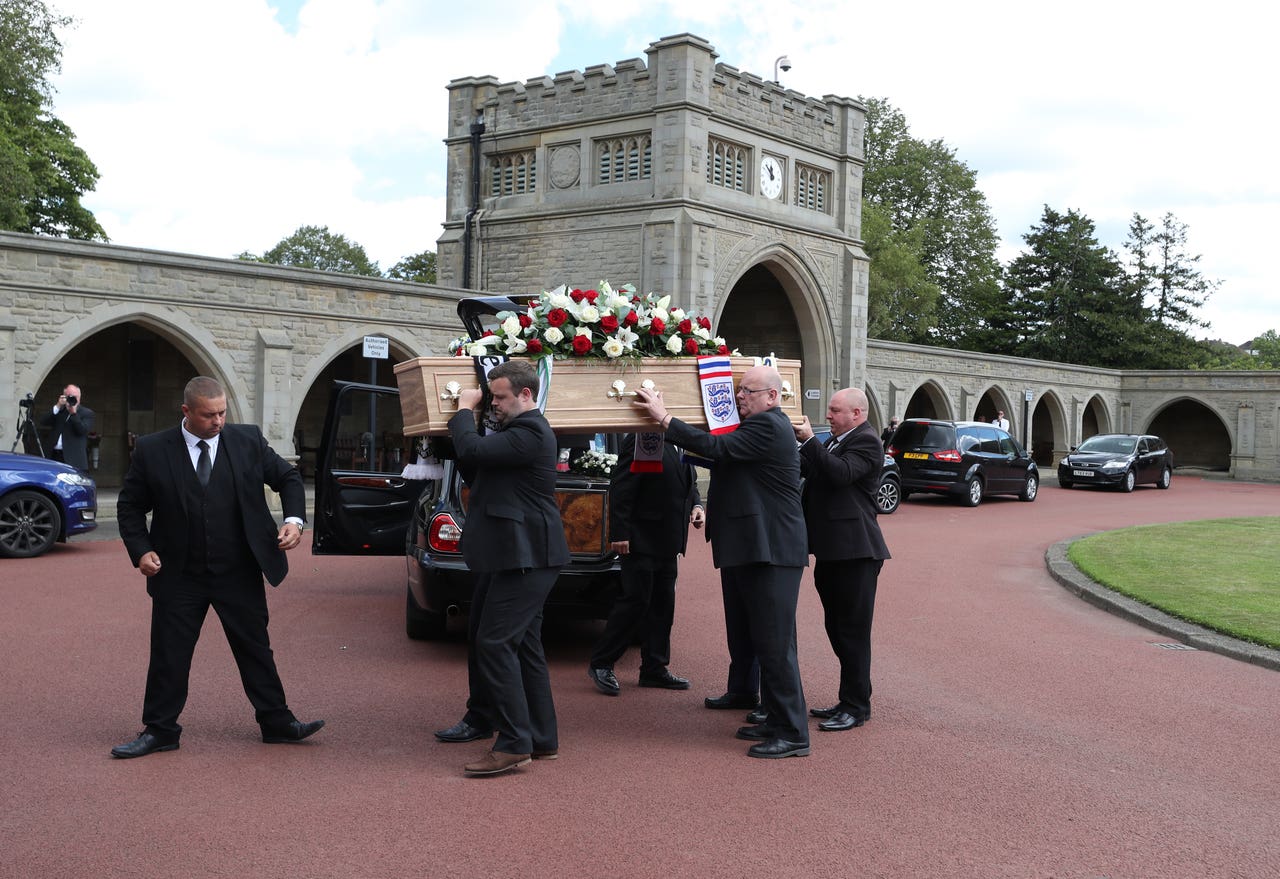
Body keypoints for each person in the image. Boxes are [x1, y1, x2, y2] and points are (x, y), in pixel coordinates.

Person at [112, 376, 321, 758]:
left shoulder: (247, 440)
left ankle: (277, 722)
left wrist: (294, 520)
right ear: (187, 411)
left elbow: (288, 477)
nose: (219, 421)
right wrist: (141, 550)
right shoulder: (153, 450)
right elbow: (129, 507)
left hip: (238, 569)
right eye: (209, 415)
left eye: (222, 413)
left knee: (255, 648)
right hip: (178, 573)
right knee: (169, 654)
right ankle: (160, 731)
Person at [634, 365, 810, 759]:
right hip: (757, 549)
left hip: (771, 550)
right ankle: (776, 718)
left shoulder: (769, 425)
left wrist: (665, 418)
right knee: (766, 641)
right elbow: (720, 453)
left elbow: (719, 448)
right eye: (738, 389)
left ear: (773, 396)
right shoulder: (758, 428)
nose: (739, 396)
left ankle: (793, 733)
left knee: (776, 645)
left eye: (748, 391)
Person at [433, 360, 569, 777]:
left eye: (500, 397)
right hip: (518, 555)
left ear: (526, 395)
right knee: (524, 645)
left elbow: (474, 450)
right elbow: (476, 468)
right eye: (491, 396)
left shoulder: (531, 431)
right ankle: (541, 738)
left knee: (494, 643)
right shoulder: (516, 434)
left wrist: (463, 409)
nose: (493, 403)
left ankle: (513, 743)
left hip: (528, 557)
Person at [794, 388, 890, 731]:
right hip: (833, 550)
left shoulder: (867, 441)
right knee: (837, 629)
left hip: (856, 552)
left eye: (835, 410)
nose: (829, 415)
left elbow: (840, 473)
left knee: (852, 632)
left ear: (857, 413)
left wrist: (810, 442)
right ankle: (850, 697)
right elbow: (811, 469)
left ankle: (856, 706)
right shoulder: (837, 440)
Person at [587, 435, 704, 696]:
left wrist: (696, 504)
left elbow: (689, 479)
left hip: (668, 539)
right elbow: (623, 486)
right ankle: (602, 663)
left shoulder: (679, 439)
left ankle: (654, 667)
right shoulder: (644, 437)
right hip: (642, 537)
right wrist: (619, 533)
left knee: (663, 605)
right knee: (636, 602)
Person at [41, 383, 95, 470]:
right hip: (53, 456)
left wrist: (73, 414)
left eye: (75, 397)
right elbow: (43, 421)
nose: (72, 399)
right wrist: (58, 406)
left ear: (79, 398)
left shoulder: (86, 413)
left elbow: (82, 430)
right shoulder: (60, 410)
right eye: (69, 397)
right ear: (64, 397)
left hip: (73, 459)